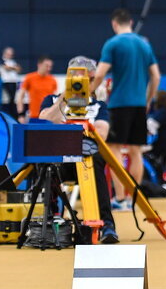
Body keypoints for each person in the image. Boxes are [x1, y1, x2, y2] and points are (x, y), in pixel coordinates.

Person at [38, 56, 118, 244]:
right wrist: (63, 99)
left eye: (89, 79)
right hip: (59, 159)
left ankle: (106, 224)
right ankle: (51, 219)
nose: (84, 83)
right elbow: (42, 123)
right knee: (43, 158)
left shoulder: (98, 105)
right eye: (78, 79)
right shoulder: (51, 100)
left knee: (97, 156)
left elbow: (102, 134)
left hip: (86, 161)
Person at [90, 8, 161, 206]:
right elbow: (156, 76)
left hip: (119, 104)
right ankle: (134, 198)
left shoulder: (112, 44)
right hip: (139, 104)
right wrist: (147, 100)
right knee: (136, 151)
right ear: (130, 22)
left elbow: (100, 74)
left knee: (114, 150)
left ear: (114, 24)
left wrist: (88, 93)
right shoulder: (144, 45)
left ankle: (120, 197)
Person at [16, 55, 56, 123]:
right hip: (34, 116)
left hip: (48, 118)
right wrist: (21, 114)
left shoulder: (52, 80)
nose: (48, 69)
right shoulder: (30, 78)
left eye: (50, 67)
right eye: (46, 66)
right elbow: (20, 97)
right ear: (39, 65)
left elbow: (54, 100)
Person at [0, 46, 22, 116]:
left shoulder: (12, 61)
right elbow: (6, 68)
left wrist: (12, 68)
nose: (10, 55)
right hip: (7, 81)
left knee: (13, 98)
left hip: (14, 81)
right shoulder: (2, 61)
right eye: (9, 54)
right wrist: (14, 68)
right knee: (9, 98)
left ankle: (13, 112)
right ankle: (9, 112)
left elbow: (19, 69)